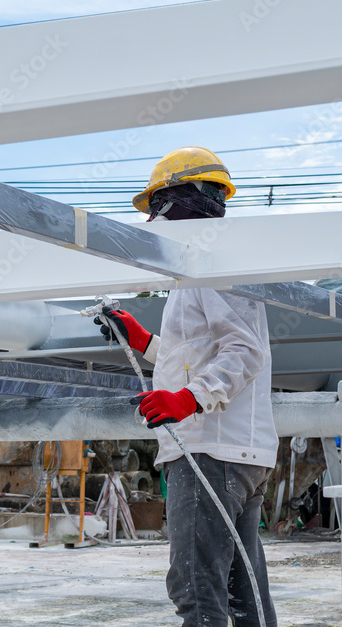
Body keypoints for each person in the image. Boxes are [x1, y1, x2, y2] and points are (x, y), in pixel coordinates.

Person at [96, 146, 279, 626]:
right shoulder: (201, 270)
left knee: (196, 588)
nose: (152, 220)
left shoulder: (208, 264)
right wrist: (143, 342)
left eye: (158, 206)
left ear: (186, 200)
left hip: (211, 451)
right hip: (237, 451)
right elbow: (200, 356)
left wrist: (187, 399)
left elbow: (245, 352)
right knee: (243, 590)